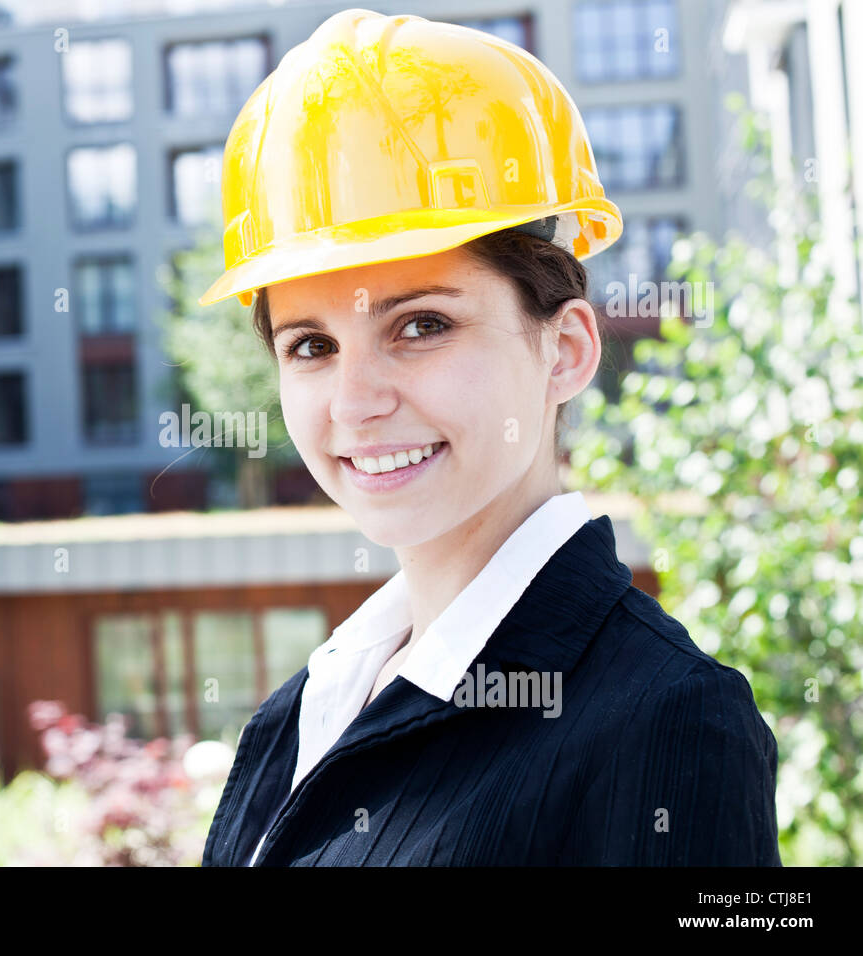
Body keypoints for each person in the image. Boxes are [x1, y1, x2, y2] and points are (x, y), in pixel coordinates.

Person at [197, 9, 780, 866]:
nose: (355, 403)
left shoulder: (669, 719)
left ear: (566, 350)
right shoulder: (308, 708)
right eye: (312, 345)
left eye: (422, 325)